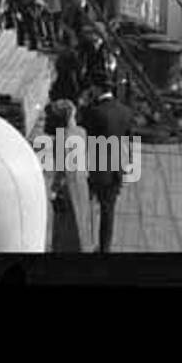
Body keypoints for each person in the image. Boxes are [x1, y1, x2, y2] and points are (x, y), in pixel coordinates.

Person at [79, 85, 136, 254]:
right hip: (116, 168)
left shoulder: (94, 112)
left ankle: (85, 242)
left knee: (85, 206)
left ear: (96, 91)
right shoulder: (126, 111)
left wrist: (83, 105)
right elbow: (130, 137)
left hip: (96, 167)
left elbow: (83, 131)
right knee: (108, 211)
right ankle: (105, 248)